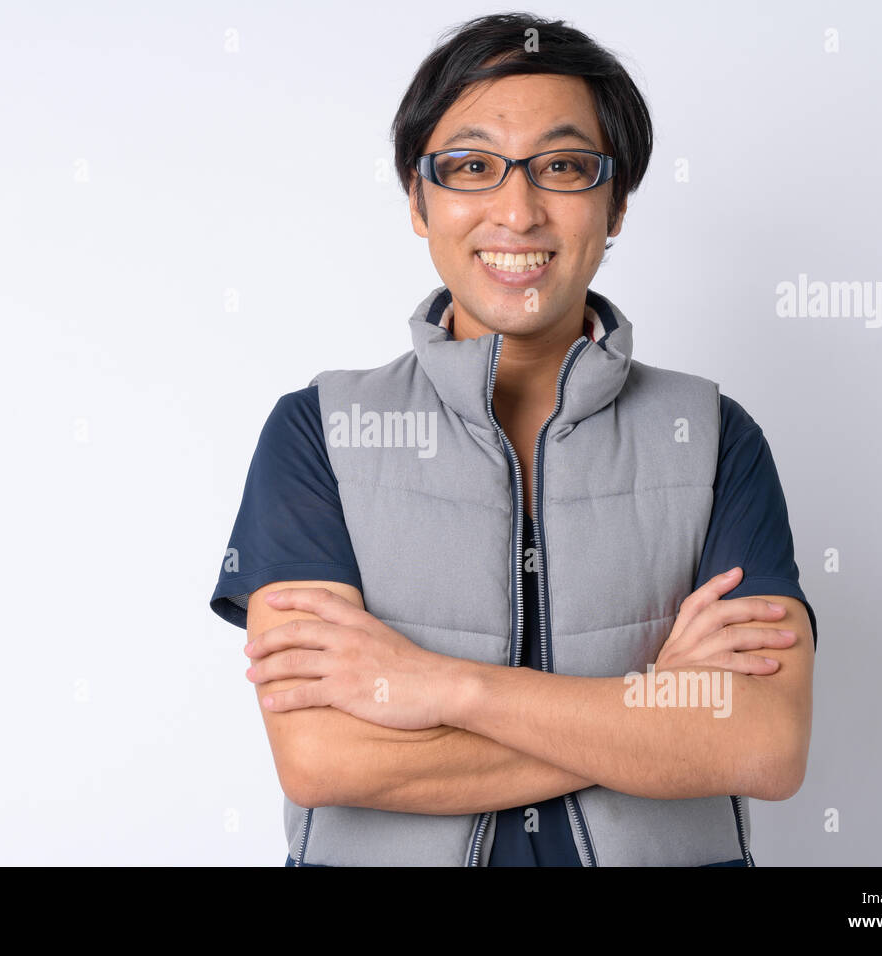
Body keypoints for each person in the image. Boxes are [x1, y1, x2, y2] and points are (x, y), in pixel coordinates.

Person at [209, 12, 816, 866]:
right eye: (470, 167)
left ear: (616, 205)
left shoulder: (715, 436)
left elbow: (760, 745)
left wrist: (440, 688)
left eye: (564, 167)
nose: (517, 210)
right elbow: (322, 758)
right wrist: (650, 715)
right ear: (419, 202)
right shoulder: (319, 432)